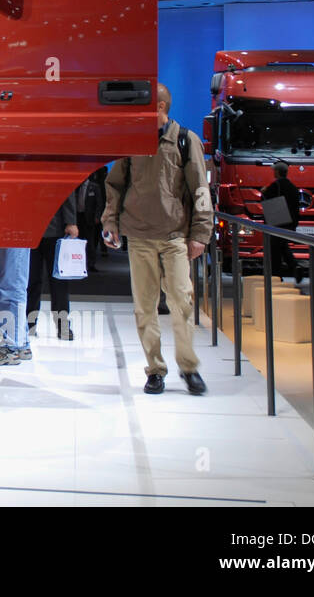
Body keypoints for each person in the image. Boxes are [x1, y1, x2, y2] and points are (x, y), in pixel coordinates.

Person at [102, 83, 213, 396]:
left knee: (182, 302)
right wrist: (110, 222)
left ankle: (189, 368)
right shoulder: (132, 141)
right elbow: (115, 185)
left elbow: (200, 190)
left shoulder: (185, 140)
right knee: (145, 307)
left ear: (161, 106)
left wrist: (200, 234)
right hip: (139, 236)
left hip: (175, 236)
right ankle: (155, 370)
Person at [28, 184, 82, 340]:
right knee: (31, 281)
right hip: (30, 228)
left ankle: (63, 326)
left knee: (59, 282)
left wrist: (71, 221)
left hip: (55, 228)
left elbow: (66, 188)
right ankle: (29, 325)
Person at [261, 161, 301, 282]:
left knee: (275, 249)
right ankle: (295, 266)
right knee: (282, 245)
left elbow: (265, 197)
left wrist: (263, 191)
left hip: (277, 221)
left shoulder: (276, 185)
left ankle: (276, 276)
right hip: (289, 222)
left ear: (277, 172)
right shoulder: (293, 187)